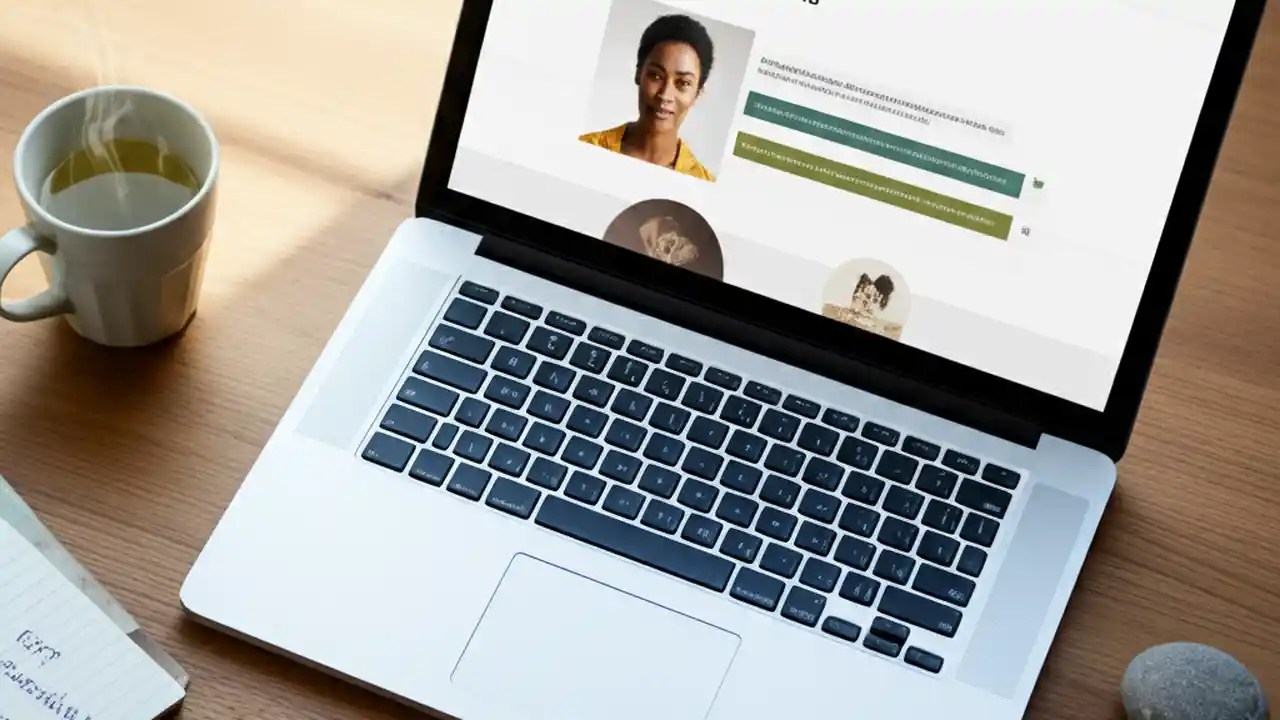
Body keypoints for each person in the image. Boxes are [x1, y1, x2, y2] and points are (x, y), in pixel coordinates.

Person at [580, 14, 716, 182]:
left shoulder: (702, 184)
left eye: (683, 83)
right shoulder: (587, 149)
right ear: (638, 74)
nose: (665, 95)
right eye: (656, 76)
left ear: (697, 94)